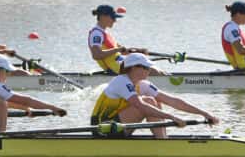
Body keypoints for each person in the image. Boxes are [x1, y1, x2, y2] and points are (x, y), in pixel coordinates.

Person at [91, 53, 219, 139]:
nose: (149, 70)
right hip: (103, 129)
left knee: (155, 101)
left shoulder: (143, 85)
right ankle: (162, 144)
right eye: (146, 67)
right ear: (134, 68)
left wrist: (204, 113)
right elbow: (141, 106)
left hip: (119, 127)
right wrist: (171, 117)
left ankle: (162, 140)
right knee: (148, 101)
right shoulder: (121, 81)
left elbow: (173, 101)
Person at [89, 5, 164, 75]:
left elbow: (123, 51)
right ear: (103, 17)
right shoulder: (96, 34)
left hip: (120, 62)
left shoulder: (104, 33)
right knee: (154, 71)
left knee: (157, 70)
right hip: (115, 67)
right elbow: (97, 55)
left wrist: (139, 51)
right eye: (113, 18)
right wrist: (117, 49)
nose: (115, 21)